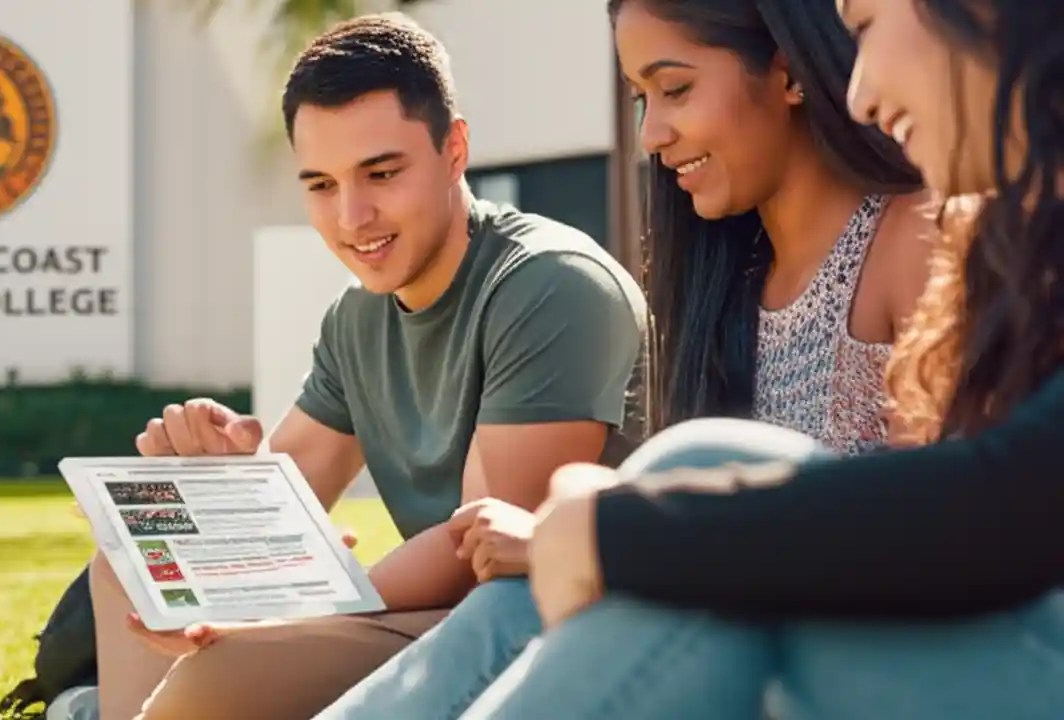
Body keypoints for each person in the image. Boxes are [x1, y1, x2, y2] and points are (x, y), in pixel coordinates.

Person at [317, 0, 935, 716]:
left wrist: (617, 538)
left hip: (872, 665)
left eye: (675, 90)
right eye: (642, 99)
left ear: (788, 73)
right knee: (510, 608)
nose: (652, 135)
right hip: (735, 648)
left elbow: (952, 530)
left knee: (666, 487)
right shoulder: (725, 294)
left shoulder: (909, 241)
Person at [451, 1, 1064, 718]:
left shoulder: (909, 243)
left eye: (864, 26)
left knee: (702, 525)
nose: (860, 92)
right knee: (678, 491)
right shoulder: (1020, 252)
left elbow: (1006, 507)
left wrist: (616, 531)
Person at [85, 12, 649, 720]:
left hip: (526, 615)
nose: (353, 217)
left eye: (381, 173)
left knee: (216, 678)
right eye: (321, 185)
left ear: (454, 149)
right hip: (421, 617)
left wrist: (290, 618)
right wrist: (215, 486)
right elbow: (287, 492)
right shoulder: (358, 317)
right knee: (126, 567)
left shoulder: (552, 284)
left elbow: (475, 544)